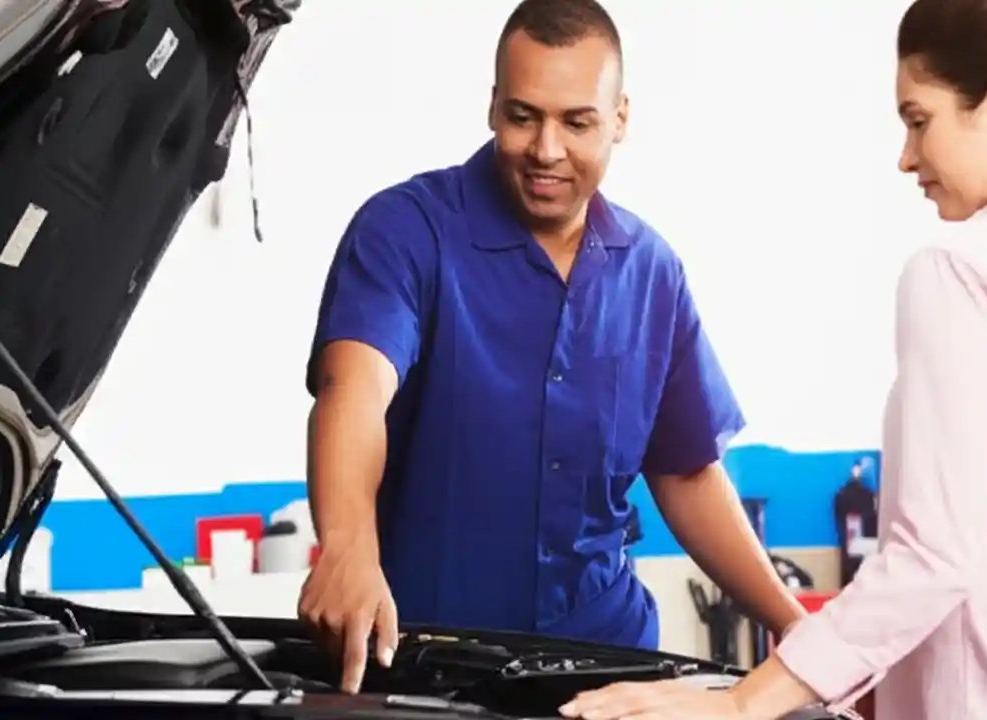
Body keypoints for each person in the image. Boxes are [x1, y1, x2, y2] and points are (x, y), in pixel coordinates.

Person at [558, 0, 987, 718]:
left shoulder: (963, 272)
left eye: (919, 120)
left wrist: (743, 703)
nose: (907, 157)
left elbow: (932, 555)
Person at [296, 0, 808, 695]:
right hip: (427, 668)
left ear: (619, 118)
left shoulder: (651, 272)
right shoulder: (405, 231)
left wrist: (796, 628)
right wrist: (348, 549)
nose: (546, 149)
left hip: (606, 666)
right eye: (523, 116)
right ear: (492, 106)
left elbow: (687, 473)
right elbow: (354, 387)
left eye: (577, 122)